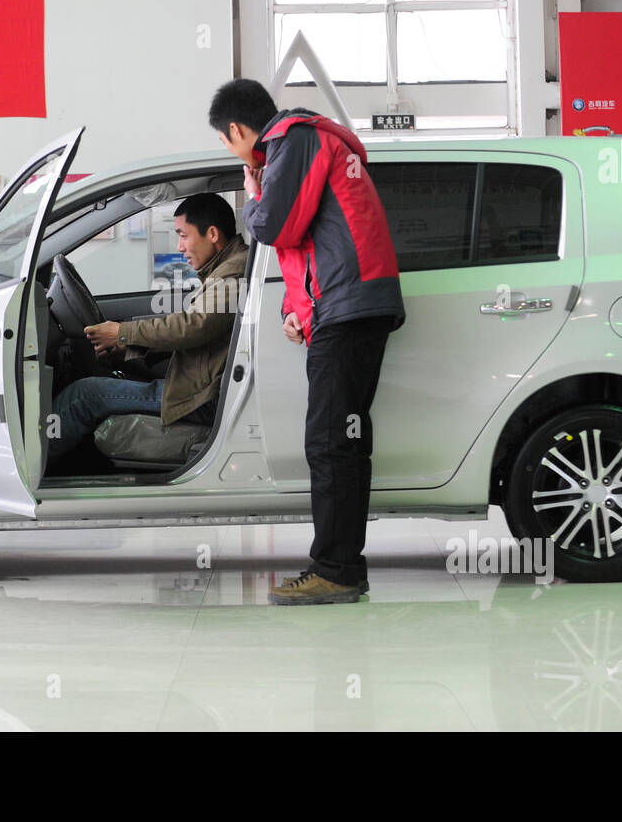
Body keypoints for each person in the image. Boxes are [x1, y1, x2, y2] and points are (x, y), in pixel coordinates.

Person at [209, 78, 404, 606]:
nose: (234, 154)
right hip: (343, 307)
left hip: (350, 308)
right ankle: (342, 567)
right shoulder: (303, 144)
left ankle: (337, 571)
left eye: (226, 144)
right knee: (339, 440)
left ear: (236, 131)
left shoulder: (293, 139)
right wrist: (295, 310)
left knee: (331, 443)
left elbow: (274, 226)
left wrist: (252, 198)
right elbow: (307, 242)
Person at [48, 192, 248, 464]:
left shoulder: (233, 273)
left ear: (212, 234)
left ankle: (36, 461)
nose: (179, 246)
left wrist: (121, 332)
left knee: (84, 395)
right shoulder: (225, 269)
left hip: (204, 396)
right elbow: (195, 333)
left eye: (183, 235)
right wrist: (125, 347)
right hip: (199, 385)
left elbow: (193, 327)